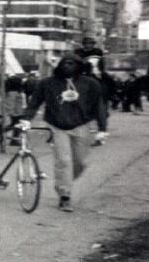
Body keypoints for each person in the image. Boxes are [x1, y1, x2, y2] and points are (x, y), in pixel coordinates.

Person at [17, 53, 107, 213]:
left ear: (79, 66)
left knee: (80, 162)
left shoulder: (91, 84)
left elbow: (99, 106)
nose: (68, 66)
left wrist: (102, 129)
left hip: (82, 125)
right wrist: (26, 118)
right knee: (64, 161)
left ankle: (64, 181)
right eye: (65, 63)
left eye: (72, 63)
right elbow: (35, 102)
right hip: (57, 126)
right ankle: (65, 196)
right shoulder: (47, 83)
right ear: (59, 66)